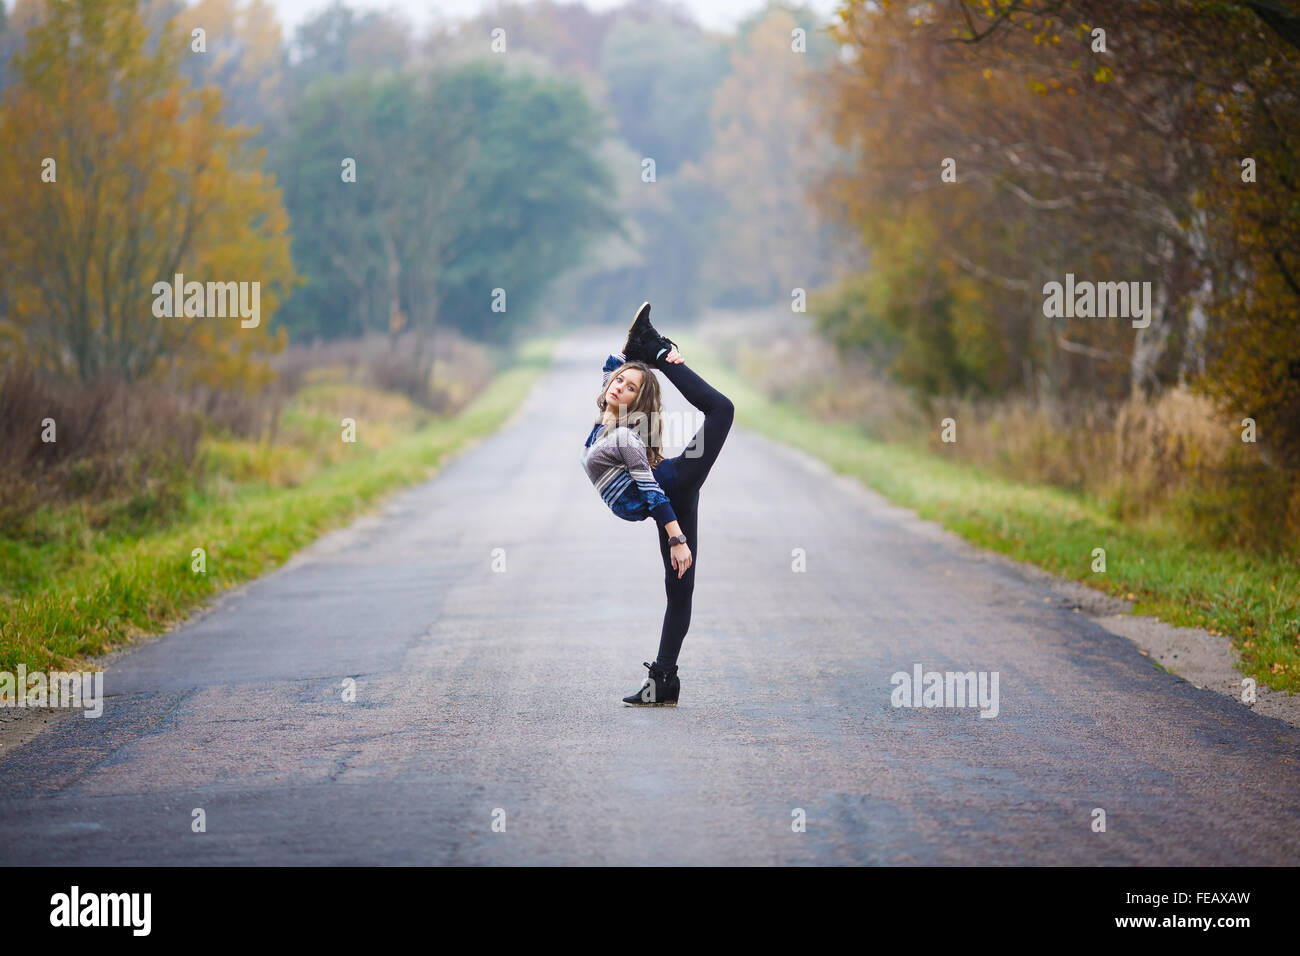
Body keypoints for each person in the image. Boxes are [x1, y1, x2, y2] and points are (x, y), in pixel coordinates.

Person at [579, 302, 735, 706]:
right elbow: (615, 366)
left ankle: (663, 679)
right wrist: (636, 354)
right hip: (672, 486)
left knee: (722, 410)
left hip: (672, 482)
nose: (620, 387)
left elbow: (652, 490)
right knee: (679, 592)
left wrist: (676, 538)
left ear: (636, 402)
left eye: (631, 389)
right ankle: (664, 680)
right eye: (619, 382)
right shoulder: (608, 423)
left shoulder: (623, 437)